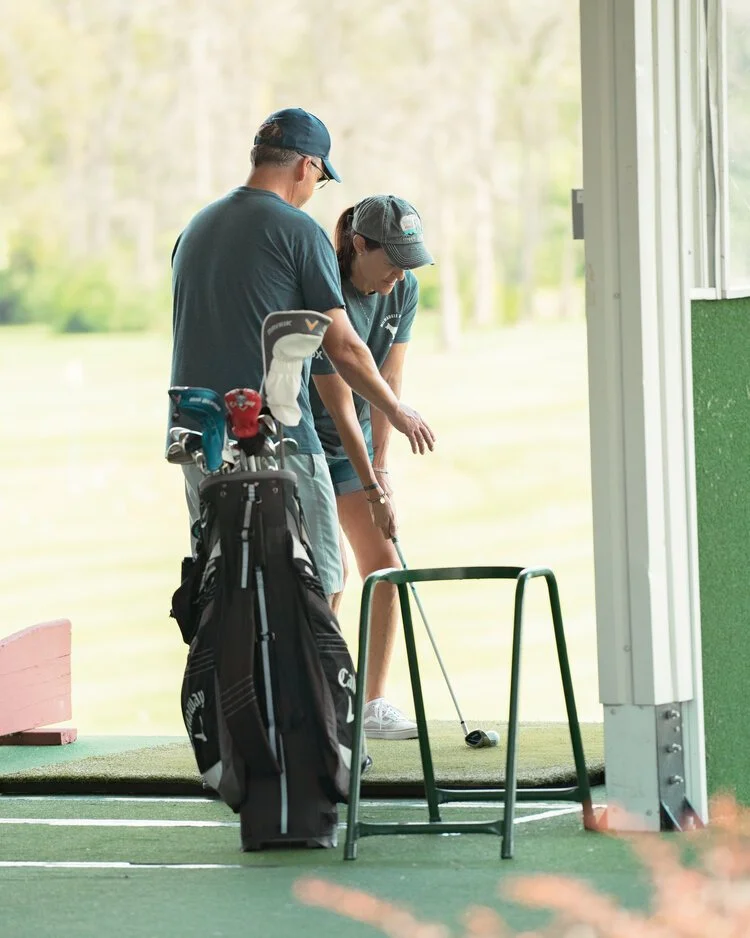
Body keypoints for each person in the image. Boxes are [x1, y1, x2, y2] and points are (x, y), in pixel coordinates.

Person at [168, 108, 435, 602]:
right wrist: (396, 410)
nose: (314, 188)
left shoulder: (195, 231)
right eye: (319, 178)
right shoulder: (298, 230)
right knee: (323, 584)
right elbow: (344, 347)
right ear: (305, 167)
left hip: (196, 436)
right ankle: (314, 684)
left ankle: (239, 683)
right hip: (276, 437)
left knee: (228, 588)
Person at [309, 195, 434, 740]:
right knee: (325, 574)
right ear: (359, 245)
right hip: (305, 442)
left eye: (410, 259)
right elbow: (339, 400)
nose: (400, 273)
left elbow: (390, 378)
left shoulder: (402, 288)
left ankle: (373, 702)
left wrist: (383, 471)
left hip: (358, 444)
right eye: (393, 259)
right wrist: (369, 482)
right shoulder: (322, 288)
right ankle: (322, 701)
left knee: (385, 567)